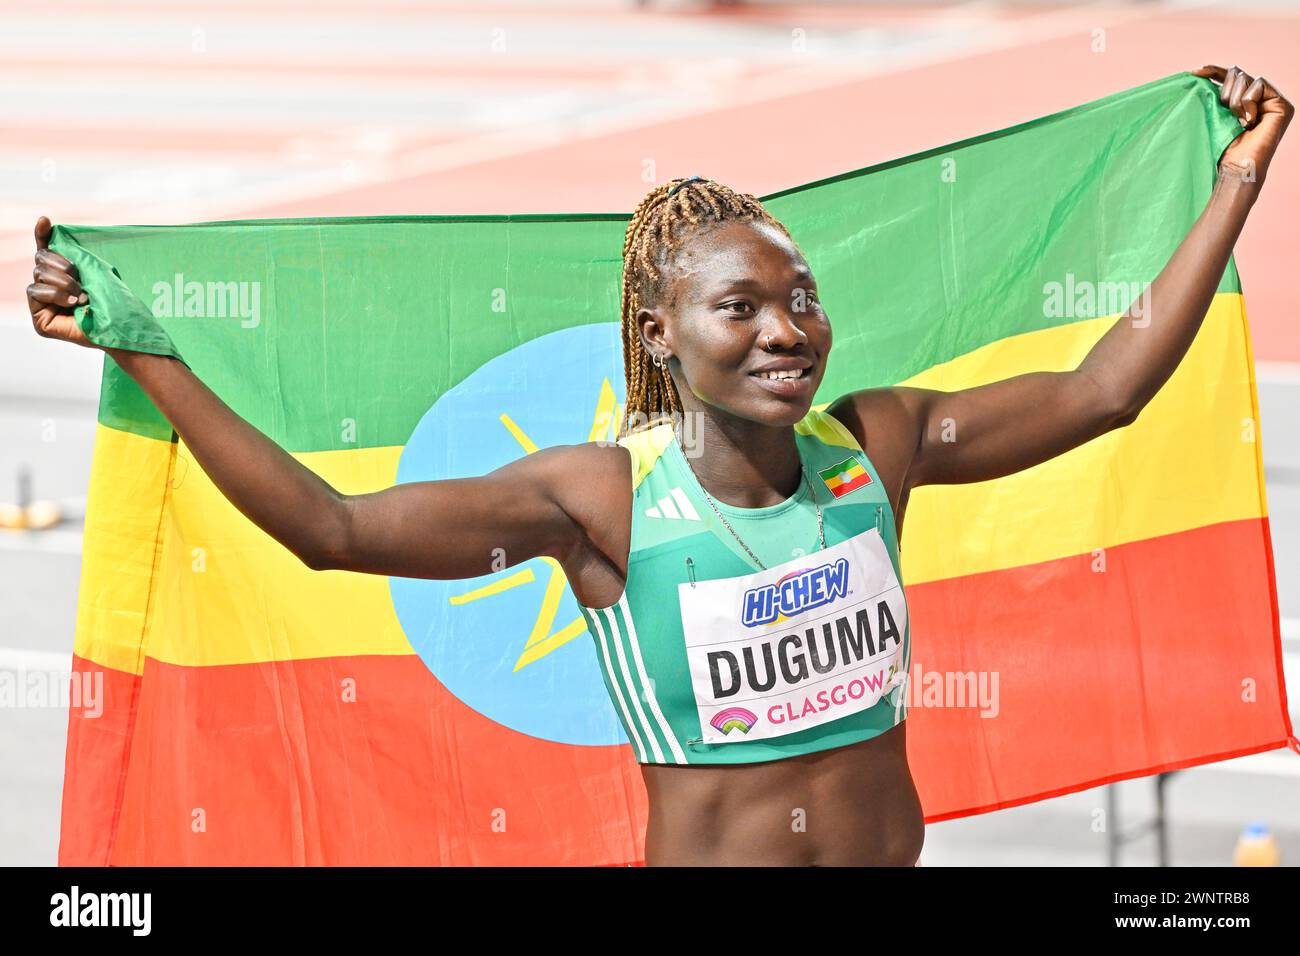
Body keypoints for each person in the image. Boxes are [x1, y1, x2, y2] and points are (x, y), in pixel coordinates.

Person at [28, 65, 1290, 866]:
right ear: (658, 335)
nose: (787, 330)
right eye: (740, 307)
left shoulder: (875, 445)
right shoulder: (603, 501)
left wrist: (1234, 181)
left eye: (801, 300)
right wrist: (145, 349)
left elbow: (1101, 391)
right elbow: (334, 527)